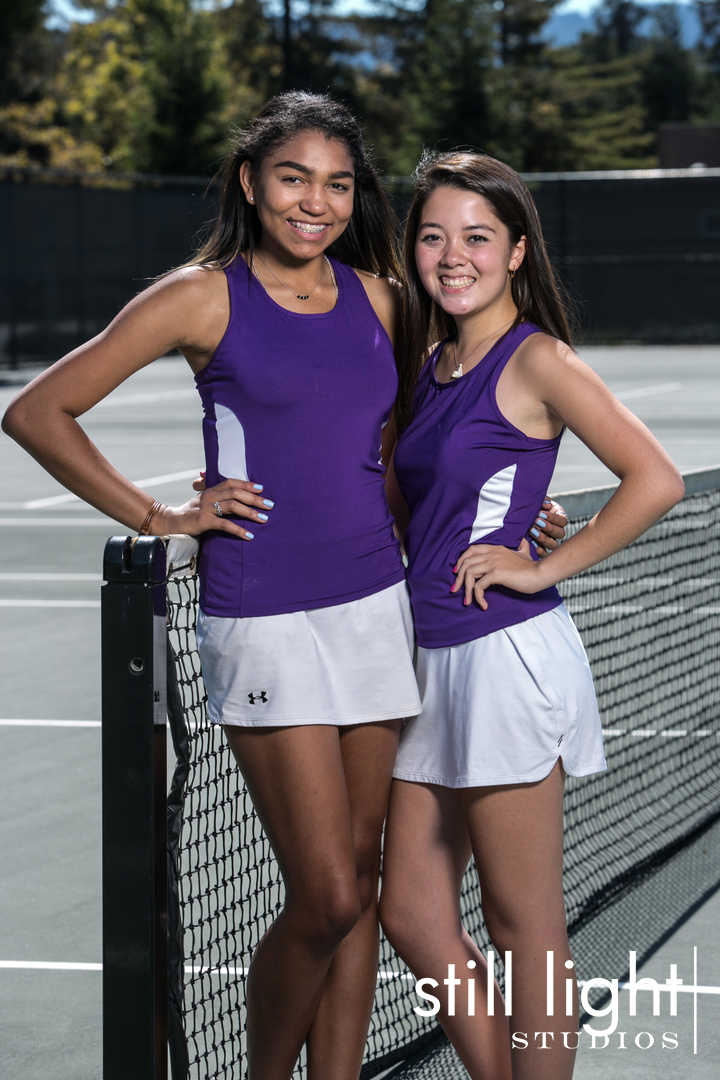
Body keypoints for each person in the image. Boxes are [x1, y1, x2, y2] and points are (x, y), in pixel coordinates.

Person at [2, 96, 564, 1078]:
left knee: (359, 874)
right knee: (329, 897)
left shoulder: (385, 299)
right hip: (263, 617)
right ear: (252, 183)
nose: (317, 201)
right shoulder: (197, 297)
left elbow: (414, 449)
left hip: (376, 614)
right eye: (295, 178)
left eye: (339, 183)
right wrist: (159, 516)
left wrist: (515, 516)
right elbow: (40, 410)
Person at [377, 151, 685, 1080]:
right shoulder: (428, 365)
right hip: (427, 657)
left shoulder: (538, 357)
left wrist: (541, 561)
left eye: (478, 236)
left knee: (524, 925)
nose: (452, 254)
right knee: (414, 915)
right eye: (433, 235)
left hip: (504, 659)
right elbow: (413, 504)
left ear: (516, 251)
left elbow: (657, 480)